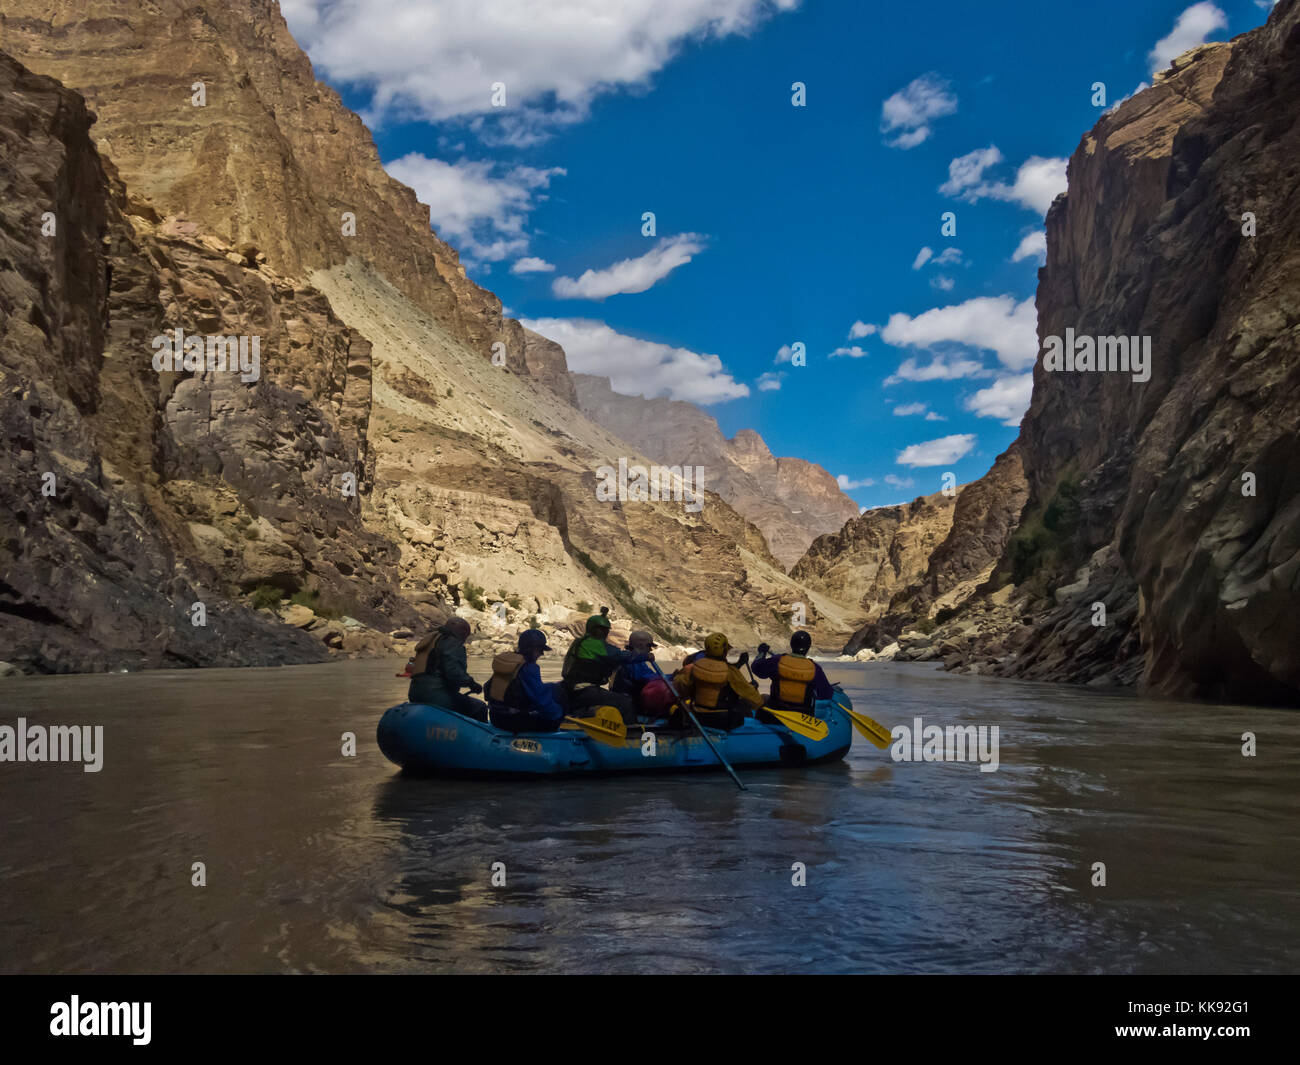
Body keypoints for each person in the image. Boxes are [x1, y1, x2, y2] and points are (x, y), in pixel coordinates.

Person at [560, 614, 651, 723]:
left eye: (606, 630)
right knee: (626, 703)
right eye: (602, 629)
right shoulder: (594, 644)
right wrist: (645, 656)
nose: (605, 632)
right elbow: (619, 655)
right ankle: (631, 733)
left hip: (572, 687)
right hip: (584, 689)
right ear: (593, 629)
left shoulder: (579, 642)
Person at [674, 632, 763, 730]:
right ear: (724, 651)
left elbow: (681, 687)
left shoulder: (695, 668)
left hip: (698, 716)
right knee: (743, 707)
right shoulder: (730, 672)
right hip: (722, 720)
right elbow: (755, 699)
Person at [486, 628, 567, 733]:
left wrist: (553, 687)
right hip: (512, 721)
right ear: (531, 649)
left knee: (554, 688)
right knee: (557, 714)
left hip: (495, 716)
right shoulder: (529, 668)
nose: (541, 654)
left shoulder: (509, 662)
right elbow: (541, 700)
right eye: (540, 649)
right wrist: (559, 715)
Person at [408, 617, 487, 720]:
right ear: (461, 633)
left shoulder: (434, 639)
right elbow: (454, 673)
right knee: (479, 707)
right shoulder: (452, 642)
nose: (464, 639)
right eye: (465, 636)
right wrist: (472, 684)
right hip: (436, 695)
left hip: (414, 693)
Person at [752, 630, 833, 718]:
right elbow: (826, 694)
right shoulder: (815, 669)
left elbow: (756, 668)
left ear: (791, 644)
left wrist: (762, 653)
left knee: (764, 697)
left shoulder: (777, 661)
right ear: (808, 647)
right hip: (803, 715)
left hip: (777, 711)